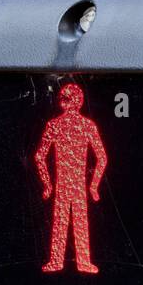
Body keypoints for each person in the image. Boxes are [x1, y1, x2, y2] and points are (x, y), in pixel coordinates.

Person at [34, 83, 107, 273]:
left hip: (64, 185)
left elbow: (39, 157)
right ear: (80, 102)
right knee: (76, 223)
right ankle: (80, 262)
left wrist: (47, 185)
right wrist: (93, 186)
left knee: (62, 223)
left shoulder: (55, 125)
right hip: (76, 186)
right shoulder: (86, 125)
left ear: (62, 102)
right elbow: (102, 158)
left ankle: (59, 261)